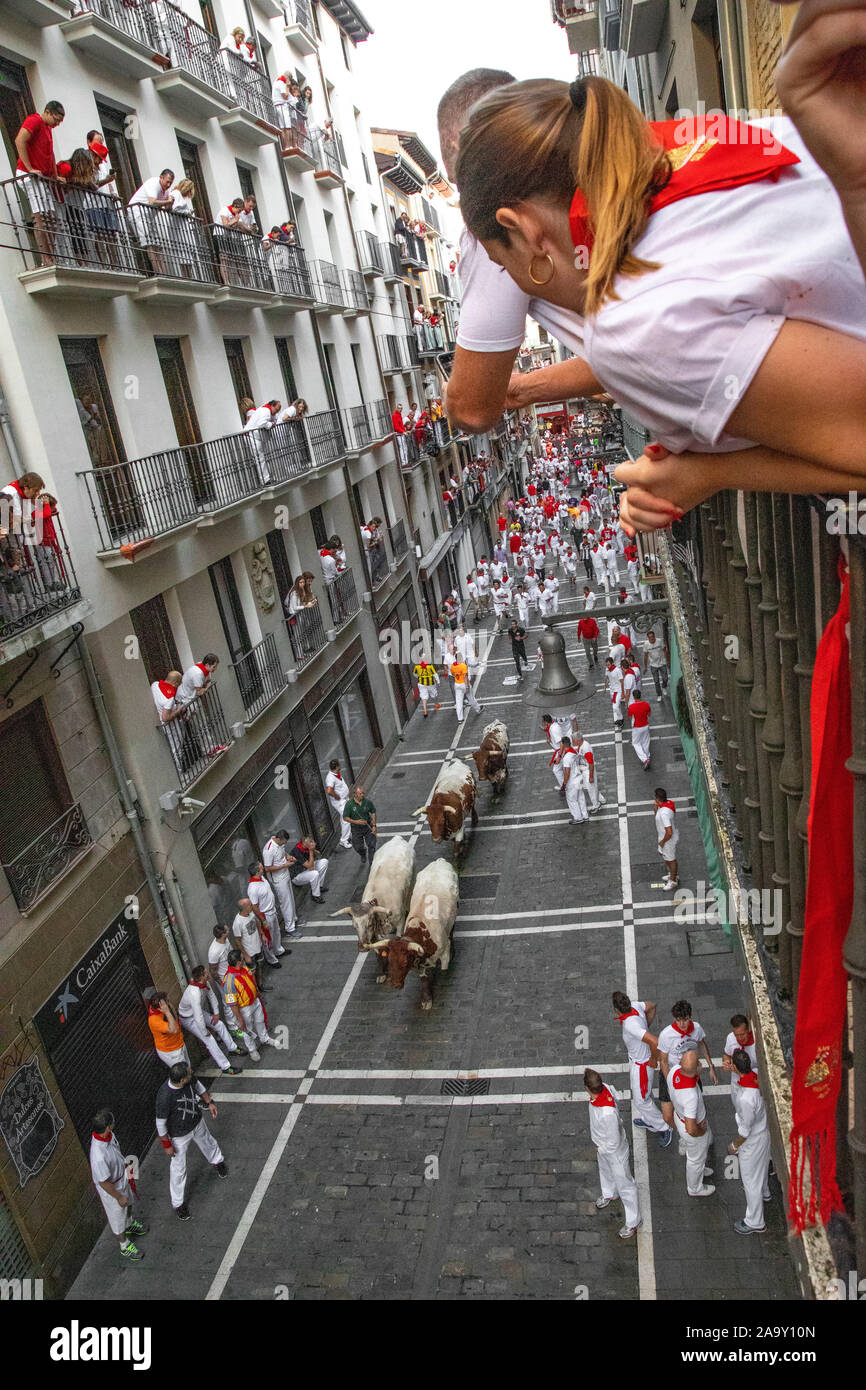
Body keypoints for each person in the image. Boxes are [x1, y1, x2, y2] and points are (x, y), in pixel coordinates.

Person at [454, 76, 866, 531]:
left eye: (500, 260)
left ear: (524, 229)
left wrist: (711, 472)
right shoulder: (696, 146)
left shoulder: (632, 323)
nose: (512, 278)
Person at [156, 1062, 227, 1221]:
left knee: (208, 1143)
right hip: (179, 1135)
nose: (192, 1073)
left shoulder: (189, 1079)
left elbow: (199, 1087)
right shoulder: (164, 1096)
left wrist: (209, 1102)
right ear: (181, 1080)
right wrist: (167, 1145)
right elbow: (160, 1123)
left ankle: (218, 1161)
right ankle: (178, 1203)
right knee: (178, 1168)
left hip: (196, 1122)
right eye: (189, 1074)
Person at [584, 1069, 641, 1240]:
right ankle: (609, 1192)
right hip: (603, 1146)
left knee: (626, 1185)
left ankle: (633, 1221)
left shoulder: (607, 1114)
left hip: (613, 1151)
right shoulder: (606, 1089)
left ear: (588, 1087)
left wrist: (600, 1149)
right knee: (605, 1170)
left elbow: (614, 1142)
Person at [612, 991, 671, 1145]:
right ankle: (650, 1119)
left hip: (642, 1065)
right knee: (643, 1093)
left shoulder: (631, 1025)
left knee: (640, 1100)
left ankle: (663, 1126)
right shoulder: (636, 1006)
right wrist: (646, 1027)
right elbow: (651, 1006)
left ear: (616, 1010)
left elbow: (655, 1042)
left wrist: (653, 1060)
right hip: (636, 1061)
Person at [90, 1108, 147, 1261]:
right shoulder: (98, 1156)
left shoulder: (109, 1136)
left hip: (121, 1178)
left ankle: (129, 1223)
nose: (115, 1123)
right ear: (108, 1127)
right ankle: (124, 1244)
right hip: (112, 1189)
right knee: (117, 1218)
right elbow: (103, 1182)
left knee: (129, 1204)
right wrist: (118, 1196)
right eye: (112, 1122)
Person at [14, 100, 65, 265]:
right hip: (30, 175)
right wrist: (29, 168)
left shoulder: (48, 128)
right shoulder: (34, 120)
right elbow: (19, 140)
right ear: (48, 112)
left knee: (51, 217)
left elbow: (50, 154)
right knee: (42, 216)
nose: (57, 124)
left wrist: (55, 175)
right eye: (56, 119)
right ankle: (45, 259)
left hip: (41, 178)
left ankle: (50, 256)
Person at [727, 1048, 772, 1235]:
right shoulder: (756, 1077)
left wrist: (734, 1145)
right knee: (760, 1172)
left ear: (736, 1069)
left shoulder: (747, 1098)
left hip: (752, 1141)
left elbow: (745, 1131)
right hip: (763, 1134)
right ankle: (765, 1193)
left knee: (750, 1182)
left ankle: (755, 1221)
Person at [656, 1000, 716, 1137]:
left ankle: (703, 1130)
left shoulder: (697, 1028)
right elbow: (663, 1062)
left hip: (691, 1074)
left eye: (686, 1020)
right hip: (670, 1074)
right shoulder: (666, 1035)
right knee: (667, 1116)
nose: (682, 1024)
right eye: (679, 1020)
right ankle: (682, 1135)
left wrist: (711, 1066)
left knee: (695, 1107)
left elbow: (701, 1044)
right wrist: (670, 1084)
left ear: (690, 1017)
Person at [178, 966, 243, 1075]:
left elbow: (211, 996)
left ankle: (233, 1048)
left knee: (220, 1024)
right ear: (202, 976)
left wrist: (216, 1014)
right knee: (210, 1040)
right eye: (206, 973)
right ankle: (226, 1067)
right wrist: (204, 1031)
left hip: (195, 1013)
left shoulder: (204, 983)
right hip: (189, 1018)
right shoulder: (194, 993)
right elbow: (198, 1016)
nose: (208, 973)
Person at [669, 1050, 715, 1198]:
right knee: (696, 1159)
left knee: (697, 1155)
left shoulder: (674, 1071)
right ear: (696, 1068)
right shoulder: (690, 1096)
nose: (701, 1064)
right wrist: (701, 1131)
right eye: (699, 1063)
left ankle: (700, 1170)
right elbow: (691, 1128)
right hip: (691, 1127)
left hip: (678, 1116)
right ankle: (695, 1188)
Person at [222, 949, 275, 1062]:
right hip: (244, 1009)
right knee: (247, 1029)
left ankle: (264, 1038)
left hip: (255, 1002)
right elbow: (232, 1003)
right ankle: (252, 1050)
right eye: (242, 958)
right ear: (238, 962)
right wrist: (239, 1018)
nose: (244, 960)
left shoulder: (244, 969)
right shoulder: (229, 982)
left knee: (260, 1021)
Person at [127, 169, 174, 275]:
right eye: (167, 181)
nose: (168, 184)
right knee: (149, 243)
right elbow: (152, 201)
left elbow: (168, 208)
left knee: (157, 244)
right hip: (137, 212)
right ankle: (158, 272)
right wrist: (168, 201)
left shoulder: (167, 190)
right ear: (161, 177)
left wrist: (170, 202)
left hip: (149, 218)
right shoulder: (153, 183)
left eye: (170, 182)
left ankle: (165, 272)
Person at [262, 829, 304, 937]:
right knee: (285, 903)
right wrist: (284, 865)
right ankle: (290, 928)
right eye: (284, 842)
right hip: (278, 879)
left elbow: (282, 851)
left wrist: (287, 856)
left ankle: (294, 919)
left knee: (291, 899)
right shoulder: (269, 850)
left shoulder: (278, 843)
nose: (285, 844)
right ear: (279, 839)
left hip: (285, 874)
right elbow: (267, 868)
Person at [246, 864, 285, 965]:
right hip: (266, 915)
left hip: (272, 910)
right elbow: (254, 907)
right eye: (260, 868)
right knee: (268, 938)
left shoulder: (262, 878)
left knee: (276, 932)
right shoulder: (253, 888)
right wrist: (263, 921)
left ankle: (278, 950)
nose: (262, 868)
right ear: (257, 872)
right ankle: (271, 959)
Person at [145, 989, 188, 1069]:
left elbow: (175, 1019)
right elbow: (173, 1030)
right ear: (160, 1007)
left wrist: (169, 1007)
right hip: (171, 1052)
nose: (169, 1002)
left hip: (179, 1043)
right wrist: (167, 1011)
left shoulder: (165, 1008)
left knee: (188, 1068)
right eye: (167, 1001)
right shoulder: (154, 1020)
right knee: (184, 1072)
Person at [723, 1014, 758, 1093]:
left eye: (742, 1034)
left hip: (753, 1084)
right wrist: (726, 1061)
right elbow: (726, 1054)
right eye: (736, 1035)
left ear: (748, 1029)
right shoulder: (730, 1038)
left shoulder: (758, 1043)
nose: (739, 1038)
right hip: (736, 1082)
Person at [288, 835, 329, 903]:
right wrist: (311, 850)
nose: (313, 843)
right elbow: (311, 867)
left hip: (306, 869)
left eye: (312, 841)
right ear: (304, 843)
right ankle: (315, 895)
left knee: (324, 861)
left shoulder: (306, 847)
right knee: (315, 873)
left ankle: (319, 887)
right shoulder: (297, 850)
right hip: (297, 876)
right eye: (310, 841)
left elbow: (319, 855)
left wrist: (313, 849)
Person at [343, 784, 377, 867]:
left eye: (363, 793)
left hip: (367, 826)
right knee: (358, 847)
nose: (362, 795)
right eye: (360, 794)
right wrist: (356, 822)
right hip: (356, 829)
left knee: (371, 845)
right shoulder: (349, 804)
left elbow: (373, 812)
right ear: (355, 794)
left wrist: (374, 825)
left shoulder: (367, 802)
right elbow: (345, 818)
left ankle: (372, 863)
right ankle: (362, 853)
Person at [654, 788, 679, 891]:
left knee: (671, 859)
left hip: (667, 840)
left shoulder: (664, 813)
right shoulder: (666, 805)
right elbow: (656, 814)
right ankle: (672, 875)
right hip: (664, 838)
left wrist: (663, 842)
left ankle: (673, 880)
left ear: (657, 798)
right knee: (667, 858)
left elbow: (669, 832)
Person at [560, 736, 588, 826]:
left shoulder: (566, 758)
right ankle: (585, 815)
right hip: (579, 777)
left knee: (572, 800)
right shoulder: (574, 752)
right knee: (581, 797)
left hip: (572, 781)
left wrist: (564, 785)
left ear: (563, 745)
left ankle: (578, 818)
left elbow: (567, 773)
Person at [325, 760, 353, 846]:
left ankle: (348, 834)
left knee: (343, 818)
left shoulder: (336, 774)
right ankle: (344, 840)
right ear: (337, 766)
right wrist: (336, 796)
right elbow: (329, 790)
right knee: (347, 819)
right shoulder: (330, 777)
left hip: (344, 799)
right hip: (340, 802)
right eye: (339, 765)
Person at [450, 653, 483, 722]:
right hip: (464, 684)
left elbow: (453, 674)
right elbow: (465, 677)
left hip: (457, 684)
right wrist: (467, 686)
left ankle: (460, 719)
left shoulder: (453, 666)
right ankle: (478, 709)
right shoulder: (463, 666)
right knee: (471, 697)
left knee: (459, 702)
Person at [627, 693, 653, 770]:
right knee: (645, 742)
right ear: (640, 695)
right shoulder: (646, 704)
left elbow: (629, 717)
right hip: (645, 726)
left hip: (637, 727)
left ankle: (645, 759)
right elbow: (649, 715)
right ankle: (647, 756)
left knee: (635, 743)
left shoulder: (631, 706)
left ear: (634, 697)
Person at [643, 629, 669, 699]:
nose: (652, 638)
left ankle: (664, 687)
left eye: (653, 636)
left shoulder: (659, 641)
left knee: (665, 678)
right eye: (650, 637)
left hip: (662, 663)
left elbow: (665, 651)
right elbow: (645, 656)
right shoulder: (646, 644)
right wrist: (645, 667)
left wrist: (667, 661)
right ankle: (659, 694)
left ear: (654, 636)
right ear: (648, 638)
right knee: (656, 681)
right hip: (653, 665)